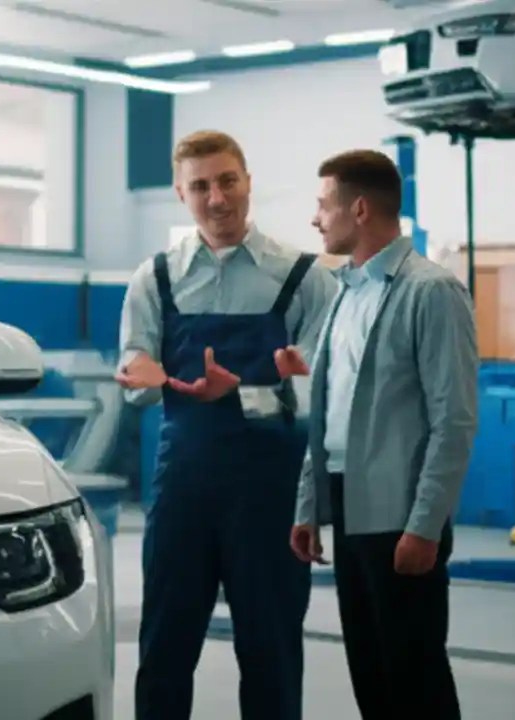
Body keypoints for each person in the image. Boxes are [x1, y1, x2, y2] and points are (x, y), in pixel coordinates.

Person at [117, 129, 339, 720]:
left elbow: (320, 395)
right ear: (180, 193)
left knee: (270, 649)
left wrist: (243, 395)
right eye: (200, 186)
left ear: (247, 181)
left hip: (270, 494)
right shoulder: (155, 278)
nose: (216, 198)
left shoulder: (303, 278)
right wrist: (142, 374)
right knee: (164, 645)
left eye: (226, 181)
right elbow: (136, 360)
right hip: (182, 486)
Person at [289, 149, 478, 719]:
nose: (315, 218)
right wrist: (310, 503)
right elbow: (329, 411)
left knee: (414, 675)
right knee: (371, 672)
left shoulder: (431, 292)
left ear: (361, 209)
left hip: (399, 513)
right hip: (349, 506)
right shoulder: (346, 293)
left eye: (324, 205)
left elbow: (455, 419)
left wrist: (424, 525)